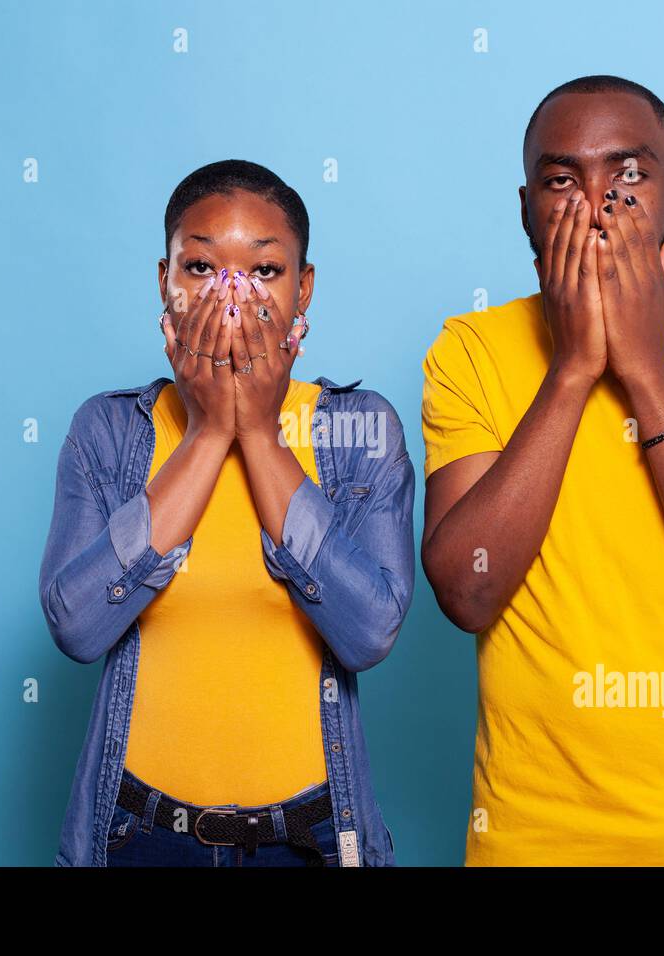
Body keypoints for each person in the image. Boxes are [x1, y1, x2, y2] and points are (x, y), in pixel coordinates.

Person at [420, 76, 664, 865]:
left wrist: (643, 366)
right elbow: (467, 589)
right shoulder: (467, 349)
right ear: (527, 209)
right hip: (528, 842)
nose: (596, 203)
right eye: (562, 180)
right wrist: (572, 370)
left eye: (630, 175)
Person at [39, 159, 414, 867]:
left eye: (265, 272)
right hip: (142, 836)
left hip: (307, 843)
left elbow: (369, 632)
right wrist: (212, 431)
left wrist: (261, 435)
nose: (233, 296)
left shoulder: (357, 431)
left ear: (304, 288)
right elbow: (77, 625)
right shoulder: (110, 432)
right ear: (165, 282)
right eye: (203, 267)